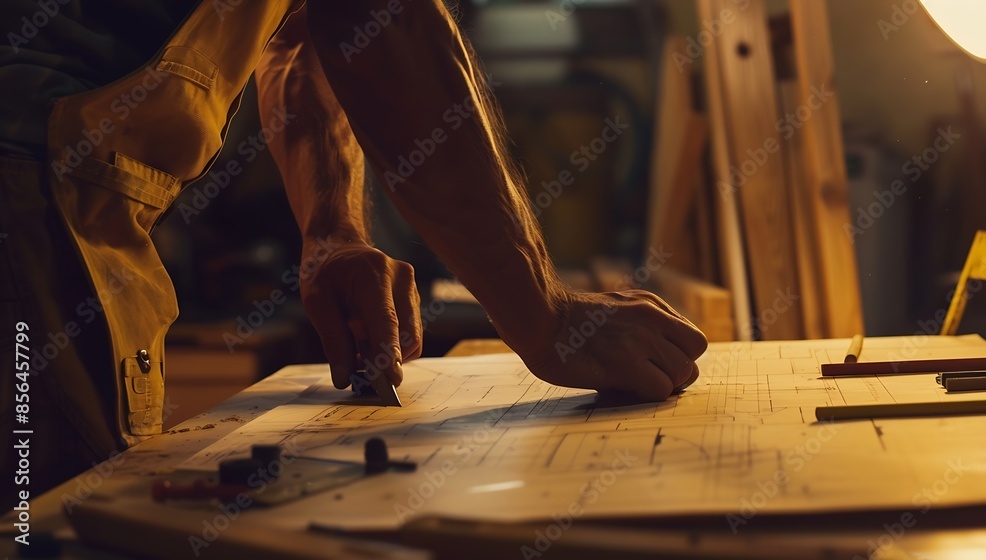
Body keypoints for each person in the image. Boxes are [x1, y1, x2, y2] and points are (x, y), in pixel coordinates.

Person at [0, 0, 707, 512]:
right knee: (48, 524)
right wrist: (543, 315)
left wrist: (333, 230)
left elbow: (302, 35)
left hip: (54, 179)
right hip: (25, 188)